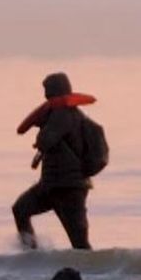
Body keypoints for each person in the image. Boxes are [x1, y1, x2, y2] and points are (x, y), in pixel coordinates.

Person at [12, 72, 103, 249]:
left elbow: (45, 140)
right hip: (52, 185)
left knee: (79, 243)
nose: (45, 95)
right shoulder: (71, 115)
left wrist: (42, 124)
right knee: (20, 209)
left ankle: (89, 275)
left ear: (56, 90)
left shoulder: (62, 115)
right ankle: (30, 254)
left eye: (47, 90)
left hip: (68, 188)